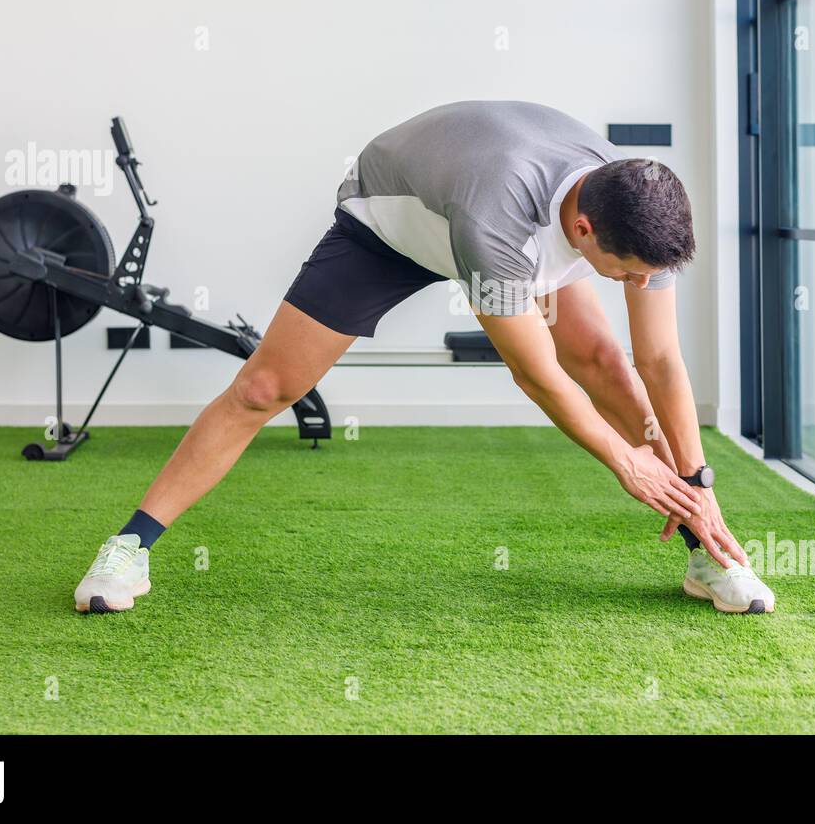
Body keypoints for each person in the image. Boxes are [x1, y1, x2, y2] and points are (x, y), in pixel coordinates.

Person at [73, 101, 775, 614]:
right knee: (264, 386)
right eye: (621, 274)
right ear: (586, 230)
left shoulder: (641, 207)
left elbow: (659, 361)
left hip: (511, 220)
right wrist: (627, 462)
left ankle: (704, 553)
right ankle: (129, 548)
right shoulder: (498, 223)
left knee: (610, 365)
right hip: (394, 224)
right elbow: (537, 375)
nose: (631, 285)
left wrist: (695, 478)